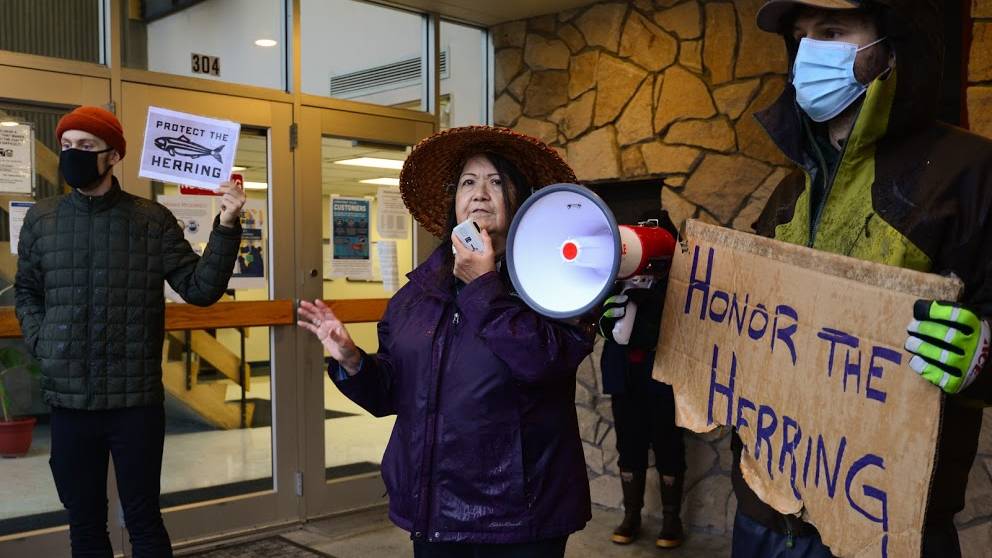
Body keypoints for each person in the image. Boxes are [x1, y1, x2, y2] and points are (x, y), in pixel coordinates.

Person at [727, 2, 992, 556]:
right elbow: (736, 318)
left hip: (889, 518)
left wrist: (985, 355)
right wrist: (651, 318)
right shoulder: (790, 190)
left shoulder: (969, 172)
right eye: (800, 37)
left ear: (891, 46)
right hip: (763, 509)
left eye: (831, 32)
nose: (808, 53)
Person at [297, 126, 593, 558]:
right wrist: (353, 360)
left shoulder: (555, 280)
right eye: (469, 183)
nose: (480, 193)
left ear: (521, 198)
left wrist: (483, 285)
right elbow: (393, 393)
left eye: (496, 182)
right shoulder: (417, 294)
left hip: (521, 516)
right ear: (453, 201)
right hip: (433, 510)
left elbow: (544, 362)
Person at [15, 105, 245, 557]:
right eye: (66, 146)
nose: (72, 155)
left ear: (113, 156)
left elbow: (200, 289)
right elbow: (27, 292)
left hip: (134, 402)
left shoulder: (150, 220)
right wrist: (44, 342)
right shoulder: (42, 221)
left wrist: (228, 225)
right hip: (70, 400)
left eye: (86, 147)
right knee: (84, 524)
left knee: (142, 519)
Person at [597, 213, 686, 549]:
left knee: (668, 445)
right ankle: (631, 516)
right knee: (629, 446)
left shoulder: (676, 280)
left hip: (661, 375)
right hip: (625, 376)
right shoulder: (617, 275)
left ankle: (671, 520)